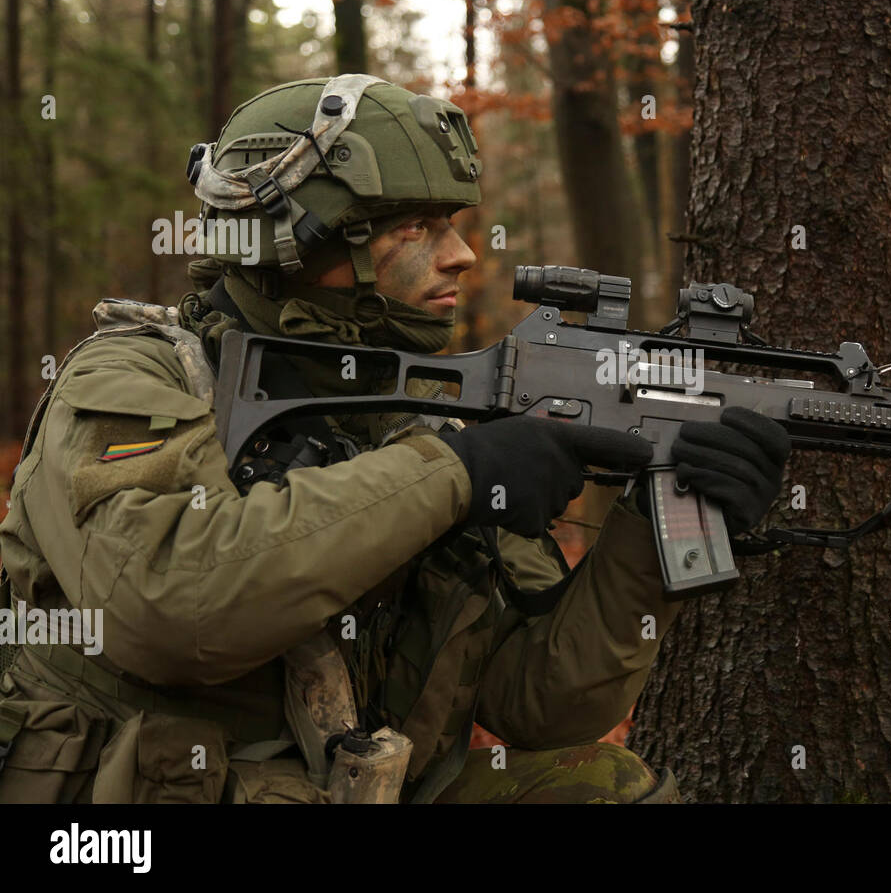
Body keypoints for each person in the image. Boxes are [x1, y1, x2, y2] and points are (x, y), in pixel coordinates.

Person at [0, 74, 790, 803]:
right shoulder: (134, 378)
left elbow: (537, 704)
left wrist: (653, 536)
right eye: (416, 226)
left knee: (605, 787)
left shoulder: (415, 419)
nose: (462, 254)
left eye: (452, 223)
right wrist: (452, 476)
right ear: (298, 237)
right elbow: (170, 609)